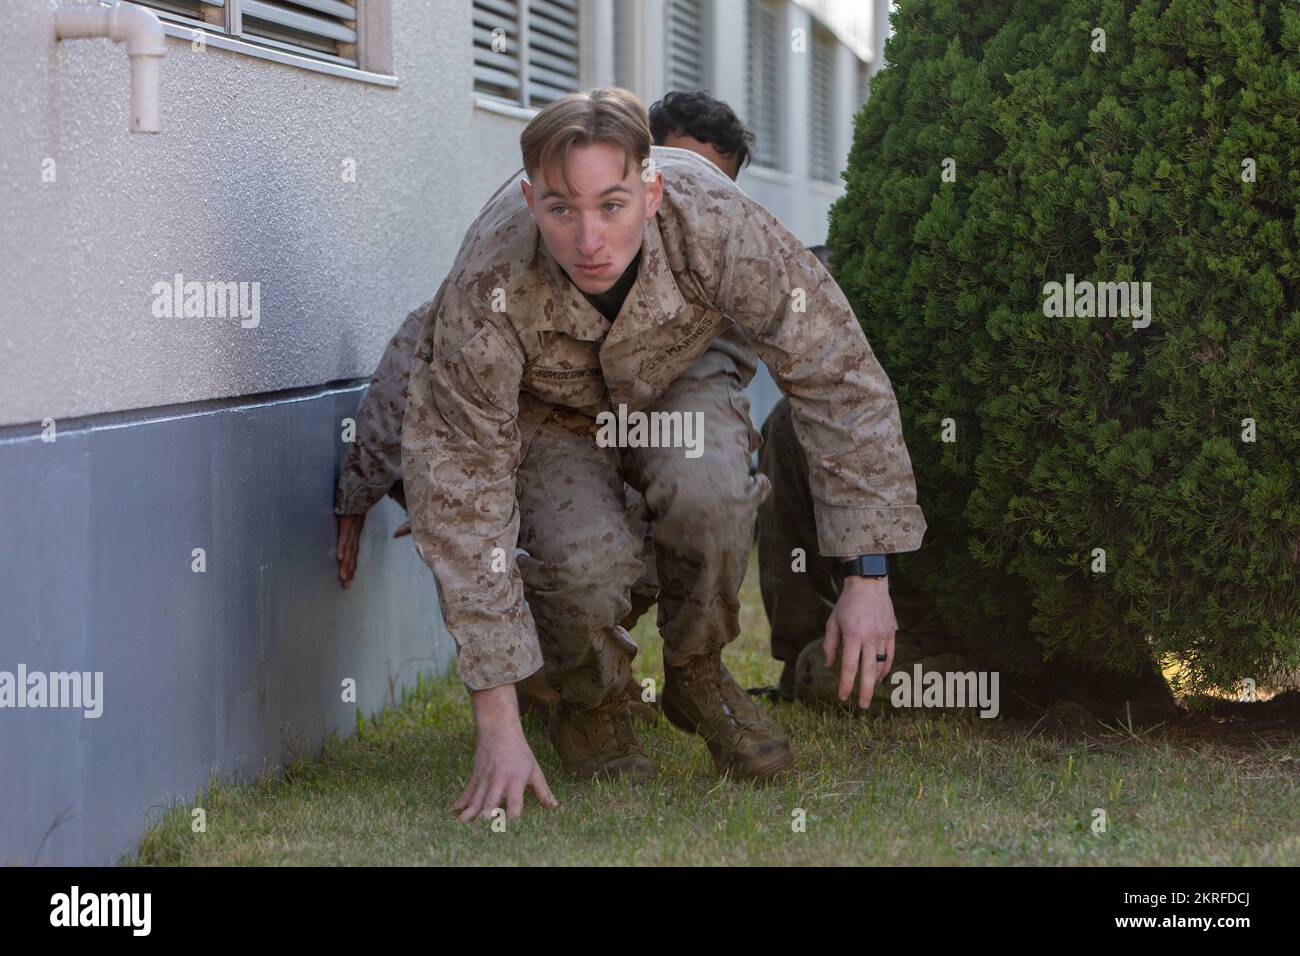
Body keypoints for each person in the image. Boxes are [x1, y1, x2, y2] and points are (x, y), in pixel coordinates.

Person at [400, 87, 926, 822]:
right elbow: (459, 494)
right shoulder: (486, 280)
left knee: (711, 493)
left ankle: (698, 673)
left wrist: (868, 574)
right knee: (586, 565)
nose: (589, 239)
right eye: (560, 209)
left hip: (677, 373)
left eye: (611, 206)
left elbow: (836, 370)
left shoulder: (715, 219)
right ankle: (590, 703)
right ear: (529, 198)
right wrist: (496, 725)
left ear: (651, 190)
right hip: (552, 412)